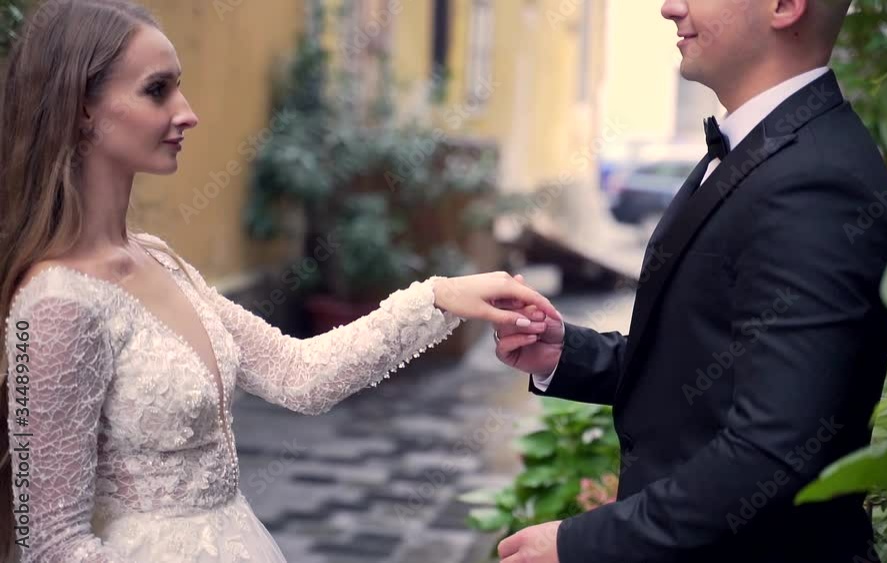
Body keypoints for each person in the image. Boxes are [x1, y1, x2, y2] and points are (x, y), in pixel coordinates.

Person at [0, 1, 558, 561]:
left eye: (180, 87)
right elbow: (51, 544)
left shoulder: (158, 258)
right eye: (157, 90)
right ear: (82, 110)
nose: (187, 112)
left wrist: (439, 296)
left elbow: (299, 376)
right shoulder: (55, 302)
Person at [493, 0, 887, 561]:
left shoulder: (815, 184)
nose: (669, 7)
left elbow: (773, 450)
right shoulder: (767, 147)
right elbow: (710, 375)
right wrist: (566, 355)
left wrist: (580, 543)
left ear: (784, 7)